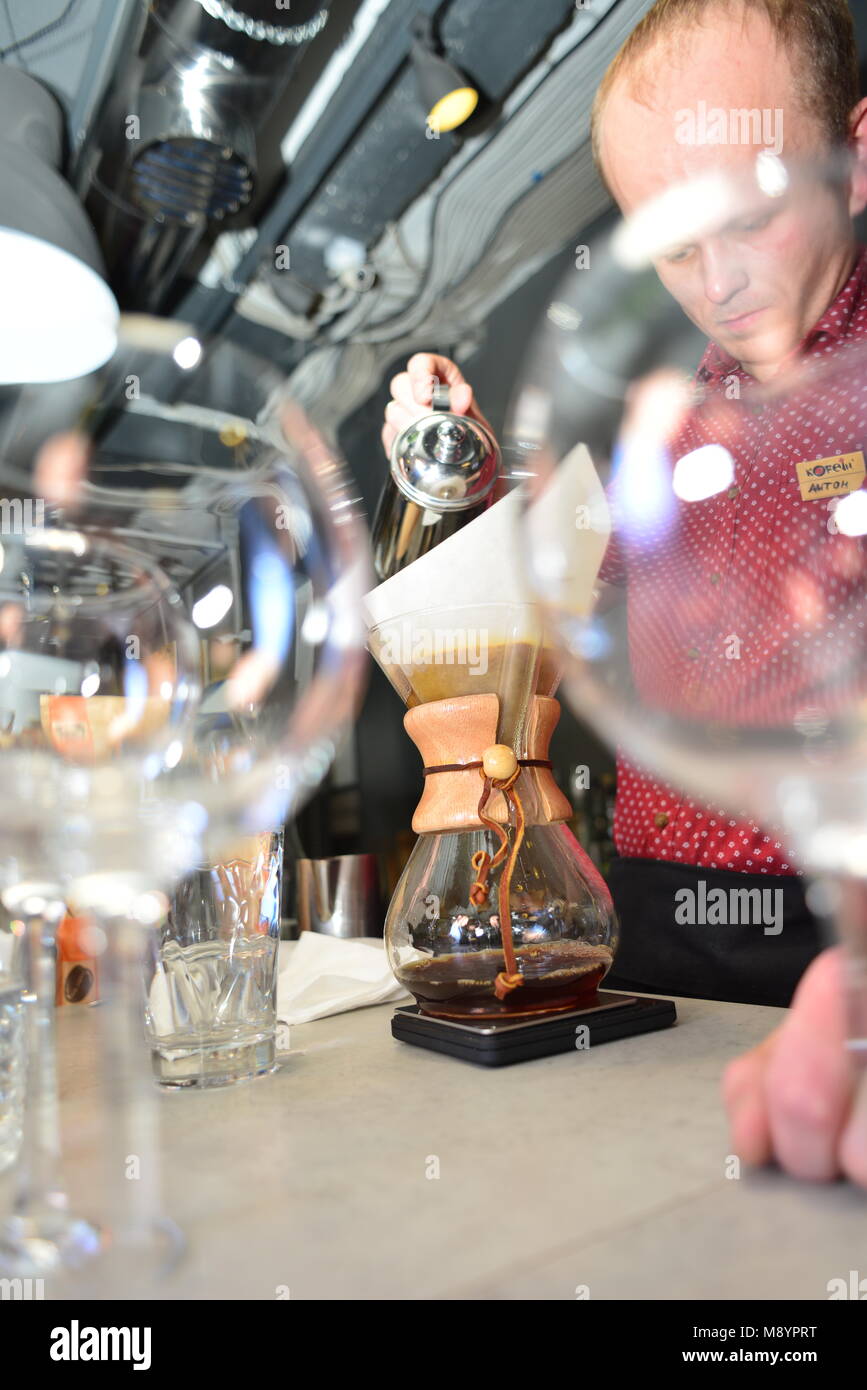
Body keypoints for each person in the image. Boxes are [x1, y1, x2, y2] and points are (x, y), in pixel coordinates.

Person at [381, 0, 867, 1186]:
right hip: (655, 939)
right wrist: (474, 475)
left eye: (746, 216)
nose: (717, 281)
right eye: (669, 239)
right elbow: (552, 606)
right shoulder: (671, 426)